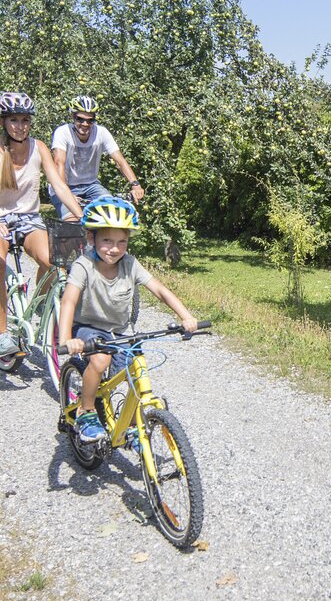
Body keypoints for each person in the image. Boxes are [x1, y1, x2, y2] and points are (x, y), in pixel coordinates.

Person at [58, 195, 198, 442]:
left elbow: (160, 290)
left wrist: (186, 316)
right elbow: (68, 301)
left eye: (122, 242)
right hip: (89, 329)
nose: (114, 248)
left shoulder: (130, 264)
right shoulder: (83, 265)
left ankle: (131, 422)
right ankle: (86, 410)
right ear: (91, 238)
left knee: (137, 370)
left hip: (122, 330)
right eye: (107, 240)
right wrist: (67, 338)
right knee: (100, 361)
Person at [0, 91, 85, 358]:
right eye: (14, 119)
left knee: (54, 261)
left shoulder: (39, 148)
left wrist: (81, 215)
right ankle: (2, 335)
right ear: (3, 122)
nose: (20, 126)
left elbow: (59, 186)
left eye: (25, 120)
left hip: (29, 219)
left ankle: (39, 303)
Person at [49, 95, 145, 219]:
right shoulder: (63, 132)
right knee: (72, 223)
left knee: (112, 214)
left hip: (91, 186)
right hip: (65, 186)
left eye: (90, 120)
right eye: (80, 119)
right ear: (73, 117)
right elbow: (58, 163)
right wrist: (65, 192)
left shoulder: (101, 133)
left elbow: (119, 160)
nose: (85, 124)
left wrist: (135, 184)